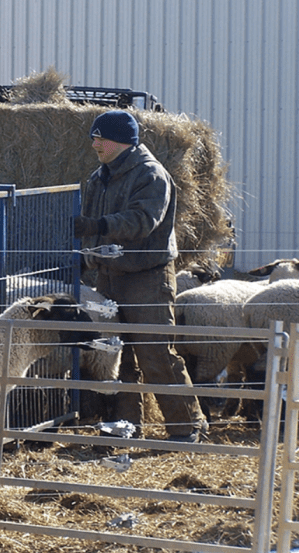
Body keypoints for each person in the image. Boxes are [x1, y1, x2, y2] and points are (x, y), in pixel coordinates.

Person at [74, 109, 207, 443]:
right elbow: (91, 224)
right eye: (94, 137)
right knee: (115, 353)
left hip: (147, 276)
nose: (95, 144)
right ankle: (126, 431)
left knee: (156, 353)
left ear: (121, 140)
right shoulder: (98, 177)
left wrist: (99, 226)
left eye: (100, 137)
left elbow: (142, 221)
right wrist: (85, 259)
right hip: (109, 275)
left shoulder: (151, 175)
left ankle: (187, 428)